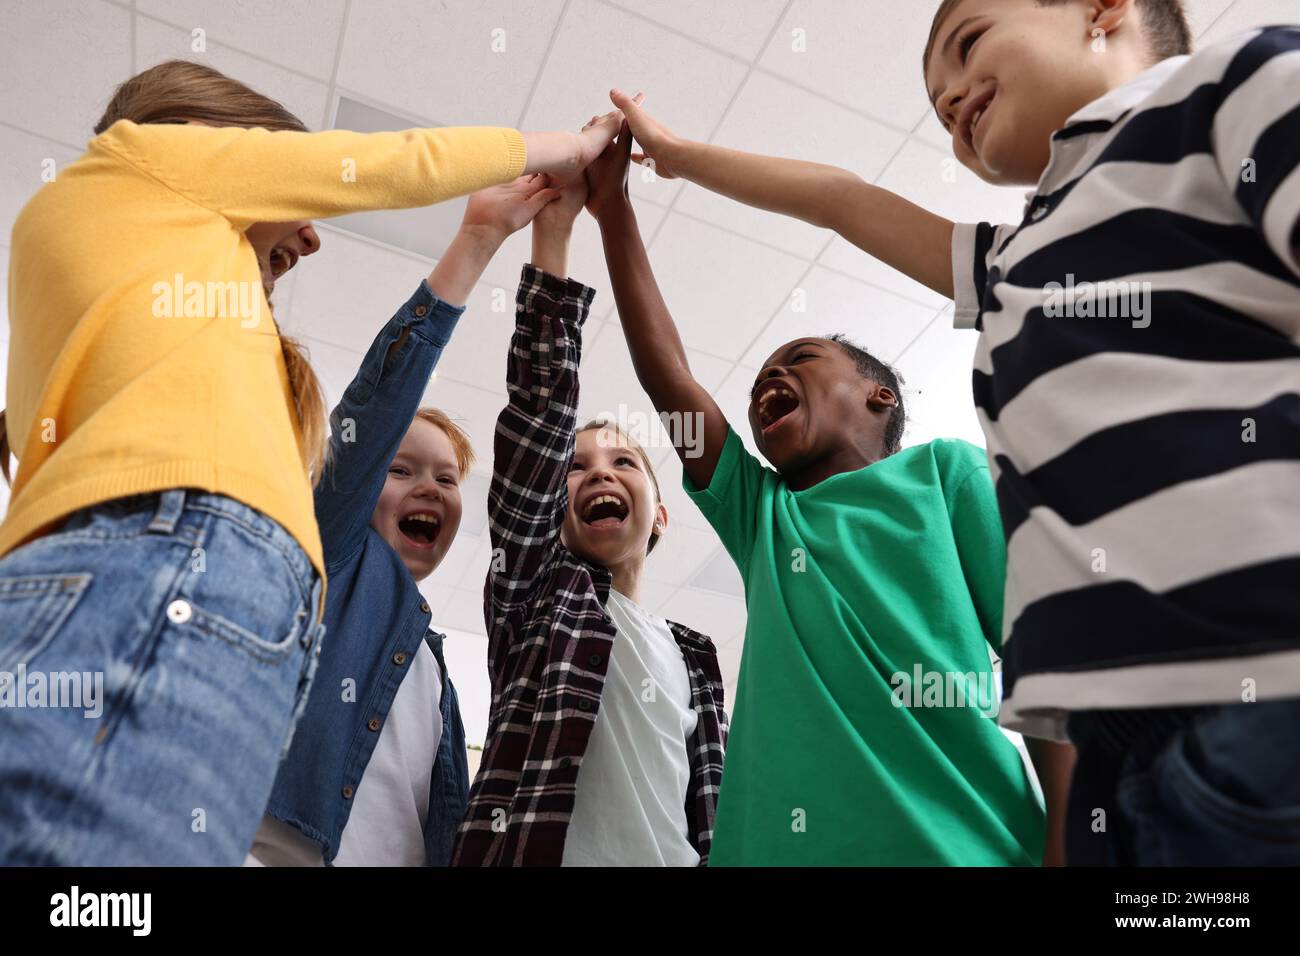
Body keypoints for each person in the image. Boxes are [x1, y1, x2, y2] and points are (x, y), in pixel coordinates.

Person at [608, 0, 1300, 865]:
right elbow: (840, 202)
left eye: (968, 44)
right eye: (936, 106)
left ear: (1104, 9)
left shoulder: (1234, 88)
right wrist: (642, 187)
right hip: (1139, 753)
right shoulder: (1013, 264)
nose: (952, 103)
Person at [0, 59, 620, 865]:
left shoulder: (102, 280)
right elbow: (396, 164)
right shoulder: (147, 155)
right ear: (203, 143)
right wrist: (571, 147)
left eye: (443, 476)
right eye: (286, 189)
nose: (312, 232)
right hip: (180, 565)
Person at [583, 117, 1047, 865]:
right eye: (761, 375)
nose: (770, 376)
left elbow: (1052, 666)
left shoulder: (945, 475)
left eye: (799, 358)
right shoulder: (762, 516)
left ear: (878, 399)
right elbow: (667, 377)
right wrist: (615, 212)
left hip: (961, 848)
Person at [247, 176, 557, 867]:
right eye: (401, 469)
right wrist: (478, 241)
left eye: (448, 479)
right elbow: (377, 405)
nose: (432, 489)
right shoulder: (328, 556)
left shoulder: (433, 669)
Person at [452, 137, 728, 866]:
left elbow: (712, 816)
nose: (598, 474)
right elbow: (539, 415)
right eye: (576, 469)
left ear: (660, 514)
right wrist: (557, 222)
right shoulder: (535, 598)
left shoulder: (695, 657)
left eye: (625, 461)